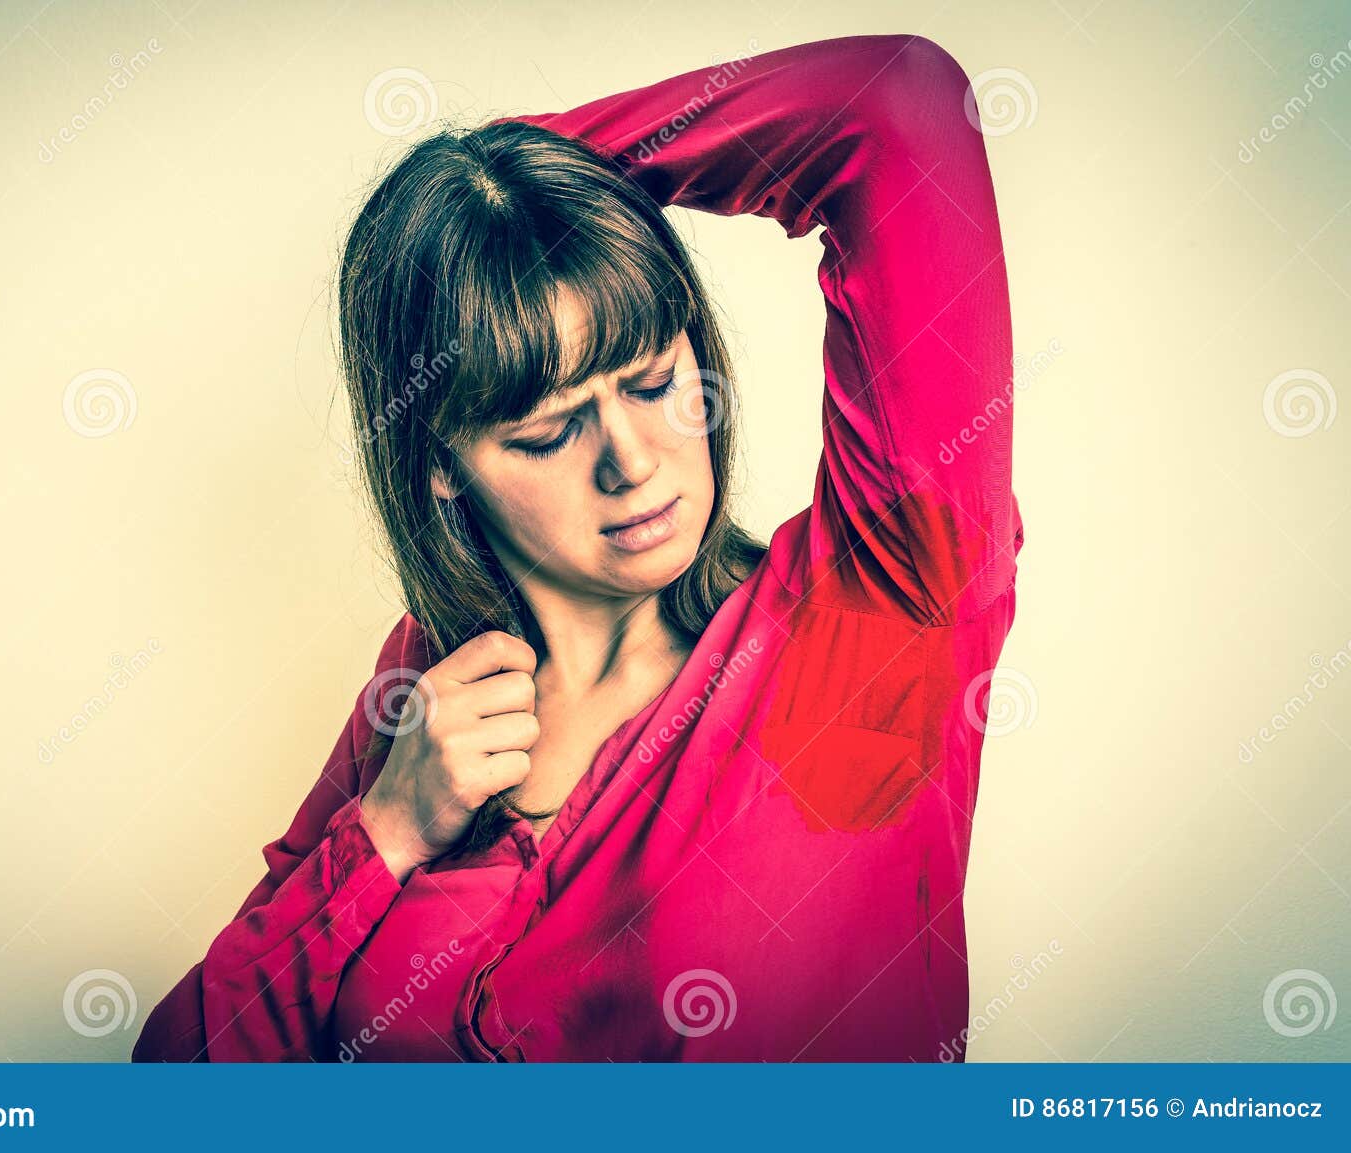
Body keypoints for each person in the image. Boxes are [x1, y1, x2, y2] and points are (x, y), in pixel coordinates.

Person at [133, 31, 1023, 1062]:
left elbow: (892, 103)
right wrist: (386, 831)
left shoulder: (879, 599)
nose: (633, 461)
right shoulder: (429, 681)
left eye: (652, 383)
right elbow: (181, 1074)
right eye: (547, 432)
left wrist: (512, 185)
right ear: (438, 460)